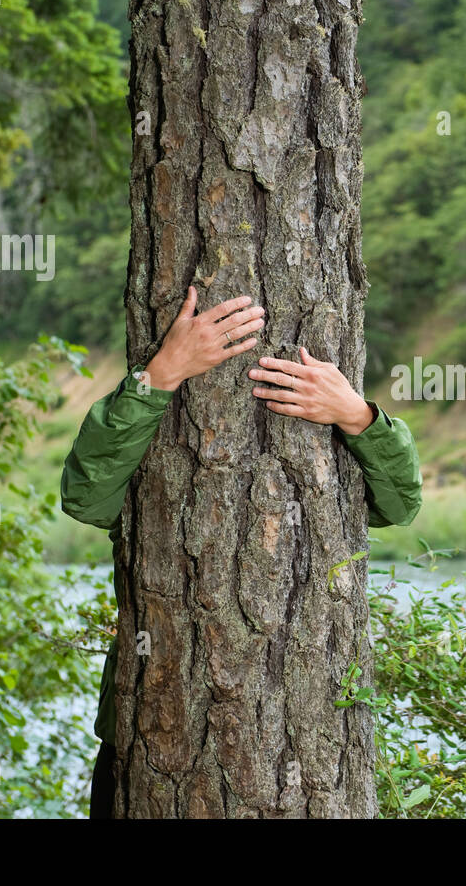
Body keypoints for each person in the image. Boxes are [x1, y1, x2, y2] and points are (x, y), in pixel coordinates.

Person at [59, 285, 422, 818]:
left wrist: (358, 418)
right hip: (148, 735)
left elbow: (399, 504)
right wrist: (159, 377)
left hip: (301, 747)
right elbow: (86, 495)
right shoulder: (148, 435)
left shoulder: (331, 468)